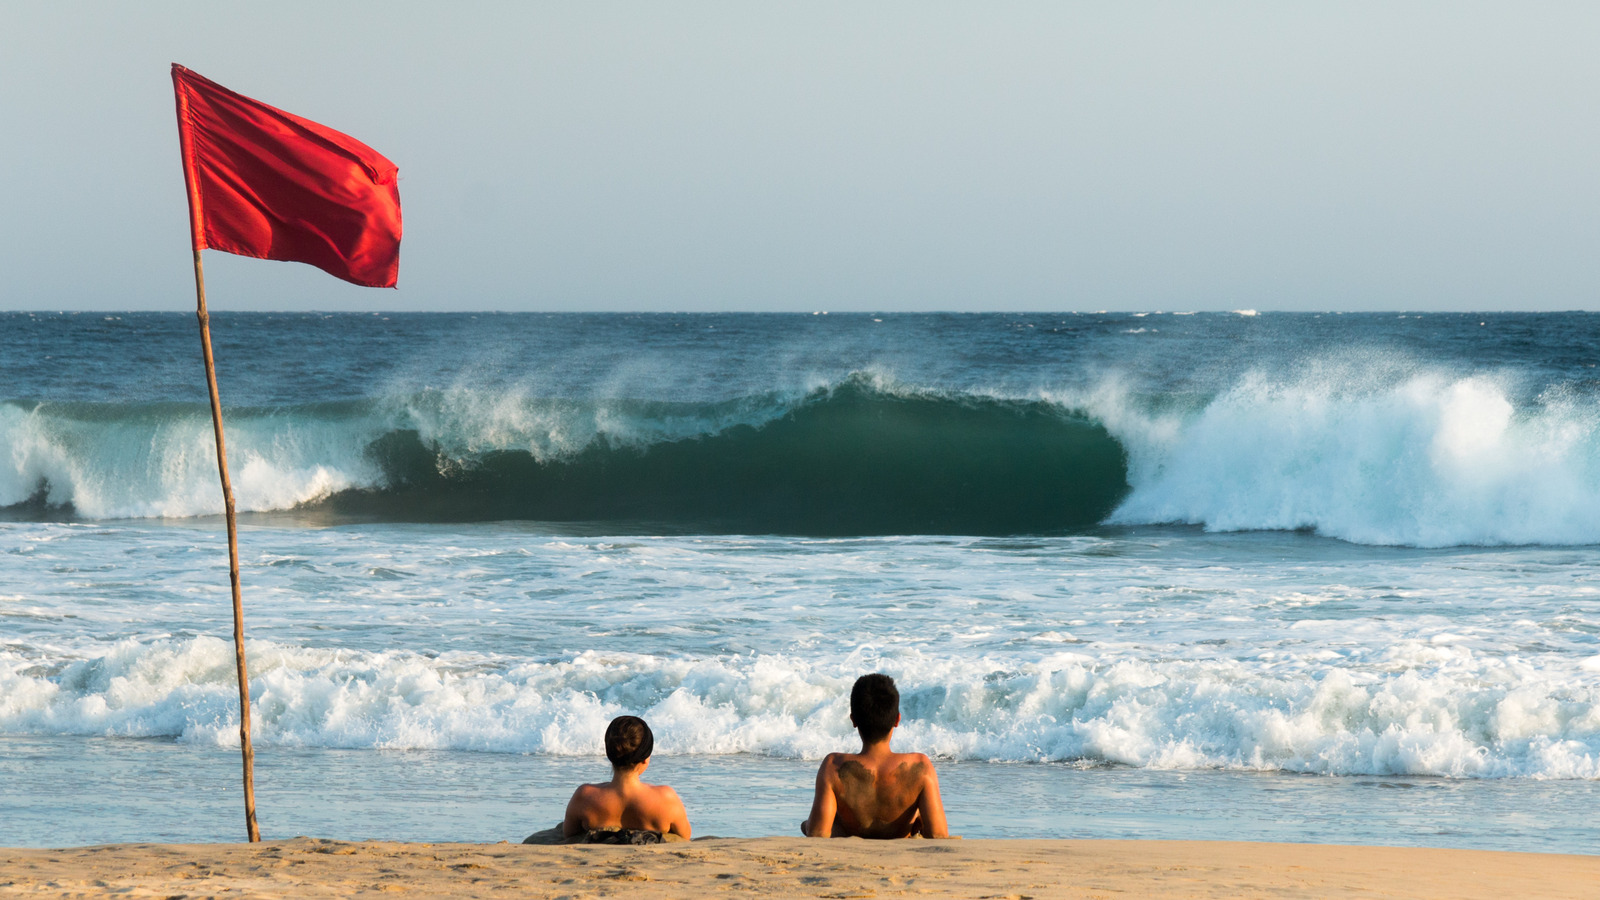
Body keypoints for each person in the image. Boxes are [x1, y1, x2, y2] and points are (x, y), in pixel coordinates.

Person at [802, 673, 950, 839]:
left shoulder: (833, 766)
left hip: (852, 839)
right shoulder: (920, 766)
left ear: (853, 720)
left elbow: (818, 834)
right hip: (900, 840)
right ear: (897, 720)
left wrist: (807, 825)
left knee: (819, 823)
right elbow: (939, 834)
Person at [560, 715, 692, 842]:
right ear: (646, 759)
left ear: (609, 754)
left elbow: (569, 834)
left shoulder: (585, 795)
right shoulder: (665, 798)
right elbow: (685, 836)